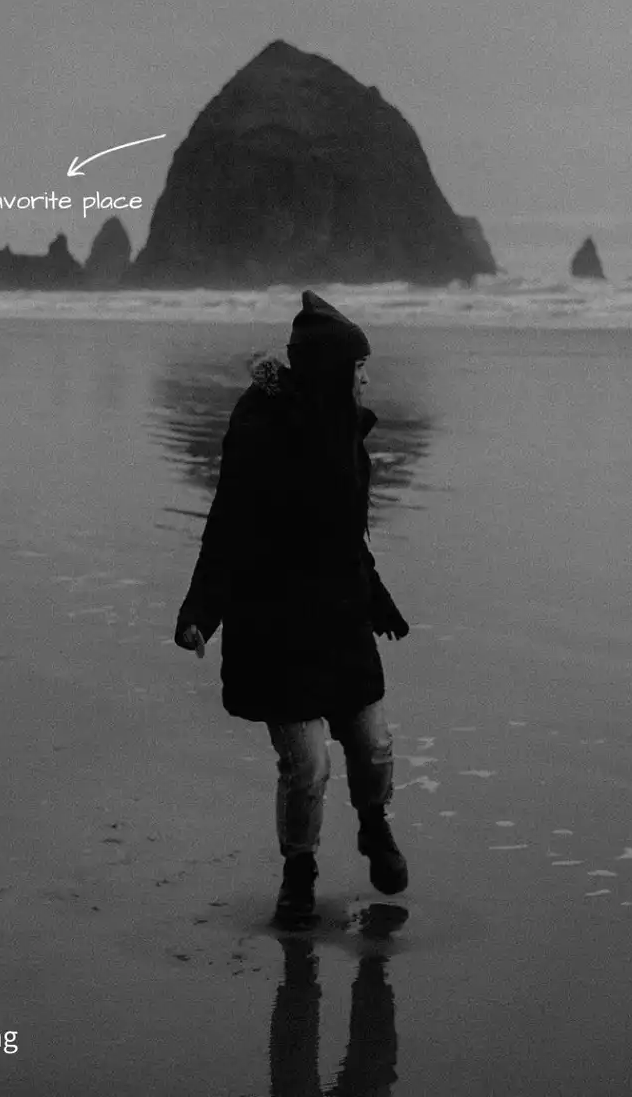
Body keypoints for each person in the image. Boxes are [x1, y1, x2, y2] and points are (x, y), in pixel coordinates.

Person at [174, 290, 411, 927]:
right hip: (275, 627)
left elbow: (347, 535)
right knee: (307, 764)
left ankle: (372, 826)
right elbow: (227, 526)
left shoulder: (345, 431)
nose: (366, 377)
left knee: (374, 746)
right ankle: (299, 872)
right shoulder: (259, 429)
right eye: (358, 366)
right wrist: (201, 611)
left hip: (339, 618)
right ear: (332, 367)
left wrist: (378, 597)